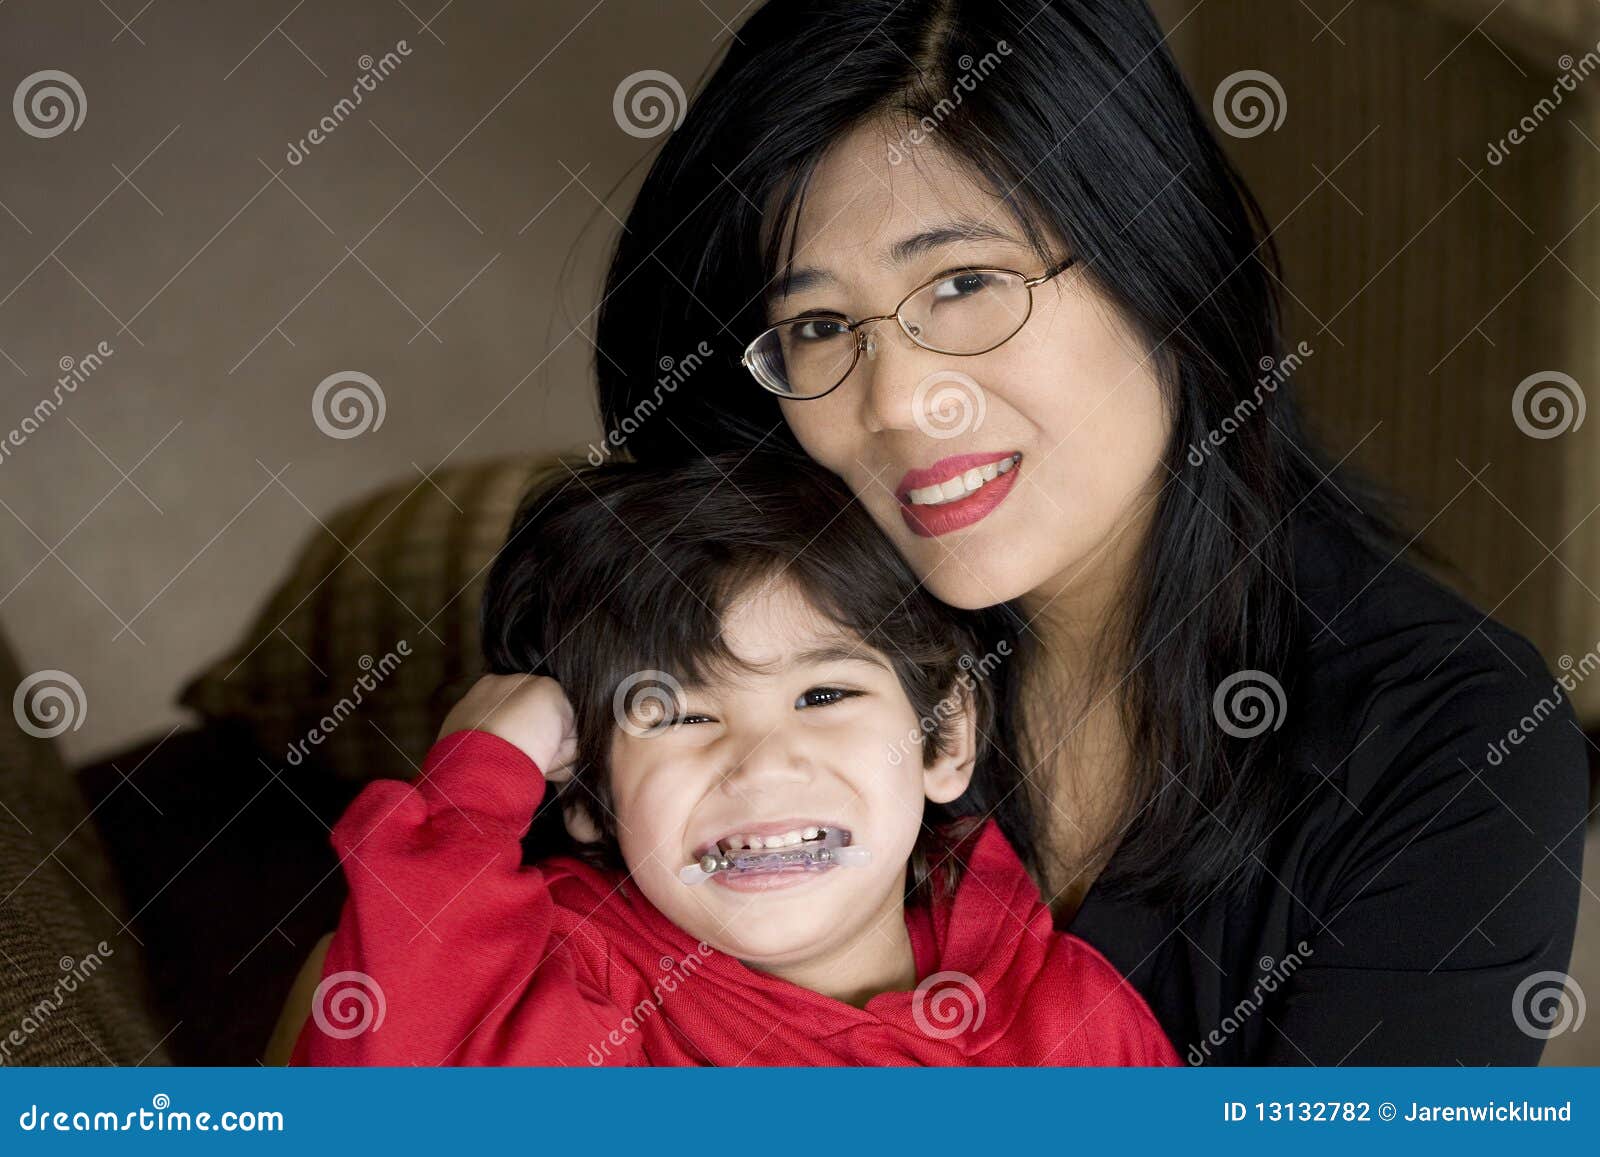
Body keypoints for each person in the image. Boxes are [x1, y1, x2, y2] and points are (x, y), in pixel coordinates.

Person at [587, 0, 1591, 1063]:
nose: (893, 403)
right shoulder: (752, 661)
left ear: (1160, 260)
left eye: (965, 283)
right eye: (820, 326)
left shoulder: (1452, 738)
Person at [289, 450, 1179, 1066]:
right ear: (593, 796)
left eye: (823, 696)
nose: (759, 764)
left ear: (943, 739)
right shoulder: (572, 974)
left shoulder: (1068, 1016)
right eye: (672, 713)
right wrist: (476, 785)